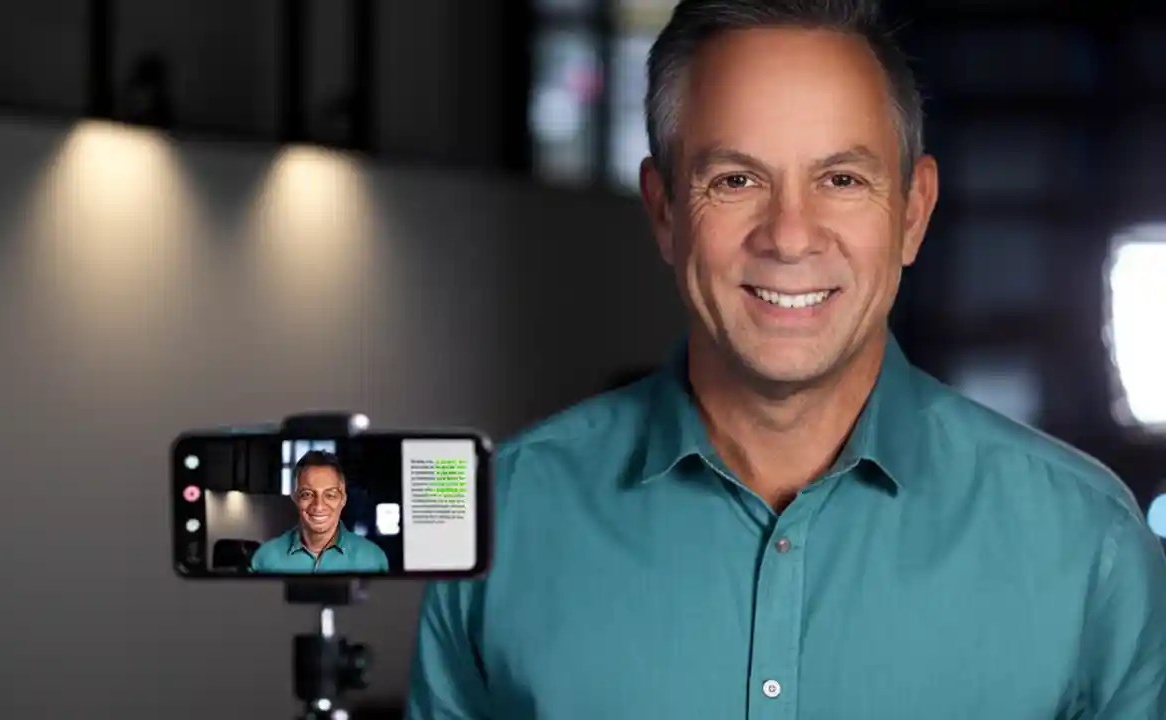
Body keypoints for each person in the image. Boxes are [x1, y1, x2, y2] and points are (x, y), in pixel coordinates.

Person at [406, 1, 1166, 718]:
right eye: (735, 180)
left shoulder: (1084, 544)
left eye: (841, 180)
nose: (791, 236)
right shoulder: (499, 521)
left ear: (912, 212)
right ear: (665, 210)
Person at [250, 450, 389, 573]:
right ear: (295, 498)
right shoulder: (264, 559)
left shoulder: (373, 559)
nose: (319, 506)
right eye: (307, 494)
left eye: (330, 495)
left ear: (343, 499)